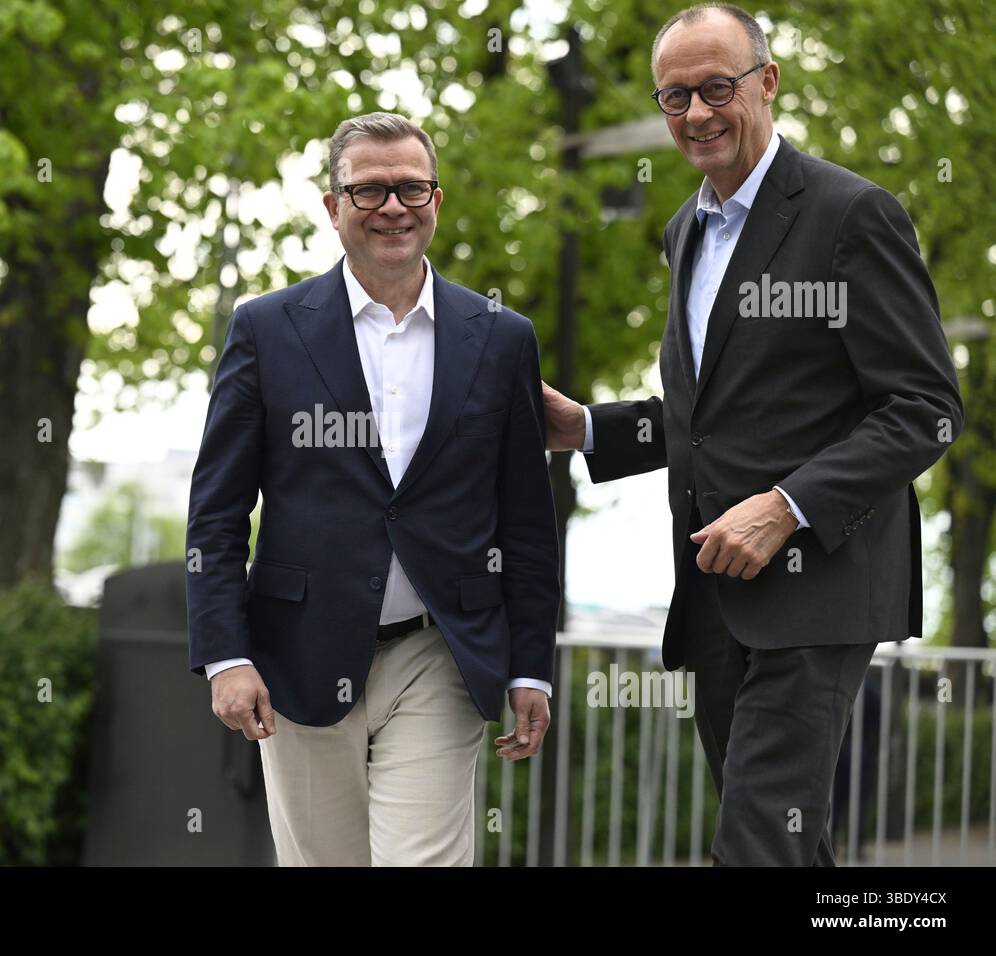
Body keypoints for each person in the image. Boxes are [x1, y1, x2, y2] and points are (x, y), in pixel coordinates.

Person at [542, 4, 962, 865]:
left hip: (819, 588)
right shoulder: (685, 231)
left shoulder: (852, 214)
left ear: (766, 82)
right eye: (673, 96)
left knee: (758, 840)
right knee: (782, 840)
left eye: (716, 87)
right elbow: (719, 417)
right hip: (714, 592)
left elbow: (924, 407)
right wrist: (588, 429)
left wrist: (786, 506)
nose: (695, 113)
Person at [186, 112, 560, 866]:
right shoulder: (266, 329)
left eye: (411, 188)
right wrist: (226, 655)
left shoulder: (502, 337)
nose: (394, 206)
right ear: (333, 206)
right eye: (370, 191)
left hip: (438, 655)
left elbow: (525, 518)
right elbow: (219, 510)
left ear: (436, 199)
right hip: (298, 653)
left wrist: (529, 666)